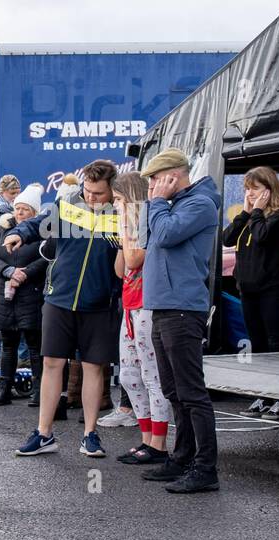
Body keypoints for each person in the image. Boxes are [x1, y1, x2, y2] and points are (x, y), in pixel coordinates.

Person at [6, 160, 122, 457]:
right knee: (51, 364)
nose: (91, 198)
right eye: (87, 191)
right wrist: (19, 233)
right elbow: (38, 223)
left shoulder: (122, 215)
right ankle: (44, 434)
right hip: (58, 299)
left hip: (99, 304)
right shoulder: (68, 204)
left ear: (112, 190)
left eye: (98, 193)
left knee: (93, 367)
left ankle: (90, 435)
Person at [138, 148, 223, 493]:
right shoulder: (171, 205)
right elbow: (146, 239)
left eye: (157, 179)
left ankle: (205, 468)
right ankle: (183, 456)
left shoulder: (200, 204)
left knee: (192, 392)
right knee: (174, 390)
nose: (153, 187)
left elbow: (166, 235)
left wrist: (157, 203)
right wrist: (154, 203)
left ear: (174, 175)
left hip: (183, 308)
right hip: (164, 306)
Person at [109, 172, 170, 465]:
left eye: (118, 199)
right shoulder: (129, 226)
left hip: (148, 305)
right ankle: (146, 438)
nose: (114, 205)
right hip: (130, 304)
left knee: (151, 375)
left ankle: (158, 443)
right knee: (129, 376)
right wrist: (122, 234)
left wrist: (126, 226)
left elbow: (135, 260)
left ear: (131, 198)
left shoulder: (147, 222)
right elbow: (121, 269)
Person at [224, 166, 279, 421]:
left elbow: (262, 236)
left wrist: (256, 211)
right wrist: (245, 212)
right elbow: (227, 238)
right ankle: (264, 393)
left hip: (272, 287)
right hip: (248, 287)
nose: (249, 193)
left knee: (275, 342)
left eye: (255, 188)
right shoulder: (250, 216)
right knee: (258, 342)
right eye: (247, 189)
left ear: (269, 189)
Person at [0, 184, 47, 407]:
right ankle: (4, 389)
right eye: (17, 207)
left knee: (35, 345)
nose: (19, 212)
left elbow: (46, 259)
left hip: (31, 293)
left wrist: (26, 273)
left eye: (25, 209)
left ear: (34, 212)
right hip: (6, 294)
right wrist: (9, 271)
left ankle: (39, 392)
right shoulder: (3, 228)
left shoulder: (41, 232)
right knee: (8, 344)